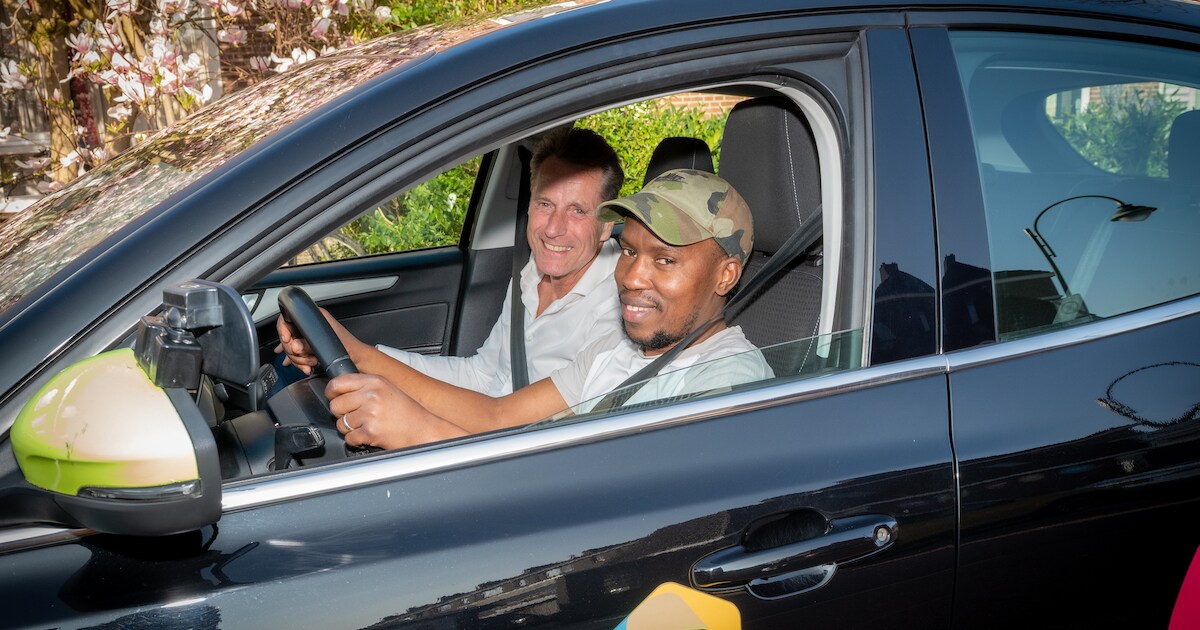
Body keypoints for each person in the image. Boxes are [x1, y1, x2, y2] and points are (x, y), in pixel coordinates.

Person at [313, 169, 773, 450]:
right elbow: (497, 417)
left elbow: (597, 512)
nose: (631, 277)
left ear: (725, 276)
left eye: (665, 260)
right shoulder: (616, 347)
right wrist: (361, 357)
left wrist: (418, 430)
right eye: (629, 251)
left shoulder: (731, 388)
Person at [277, 127, 625, 395]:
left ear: (606, 225)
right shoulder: (532, 273)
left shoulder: (620, 304)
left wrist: (365, 360)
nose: (553, 229)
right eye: (545, 204)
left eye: (577, 211)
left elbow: (517, 421)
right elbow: (483, 375)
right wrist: (361, 353)